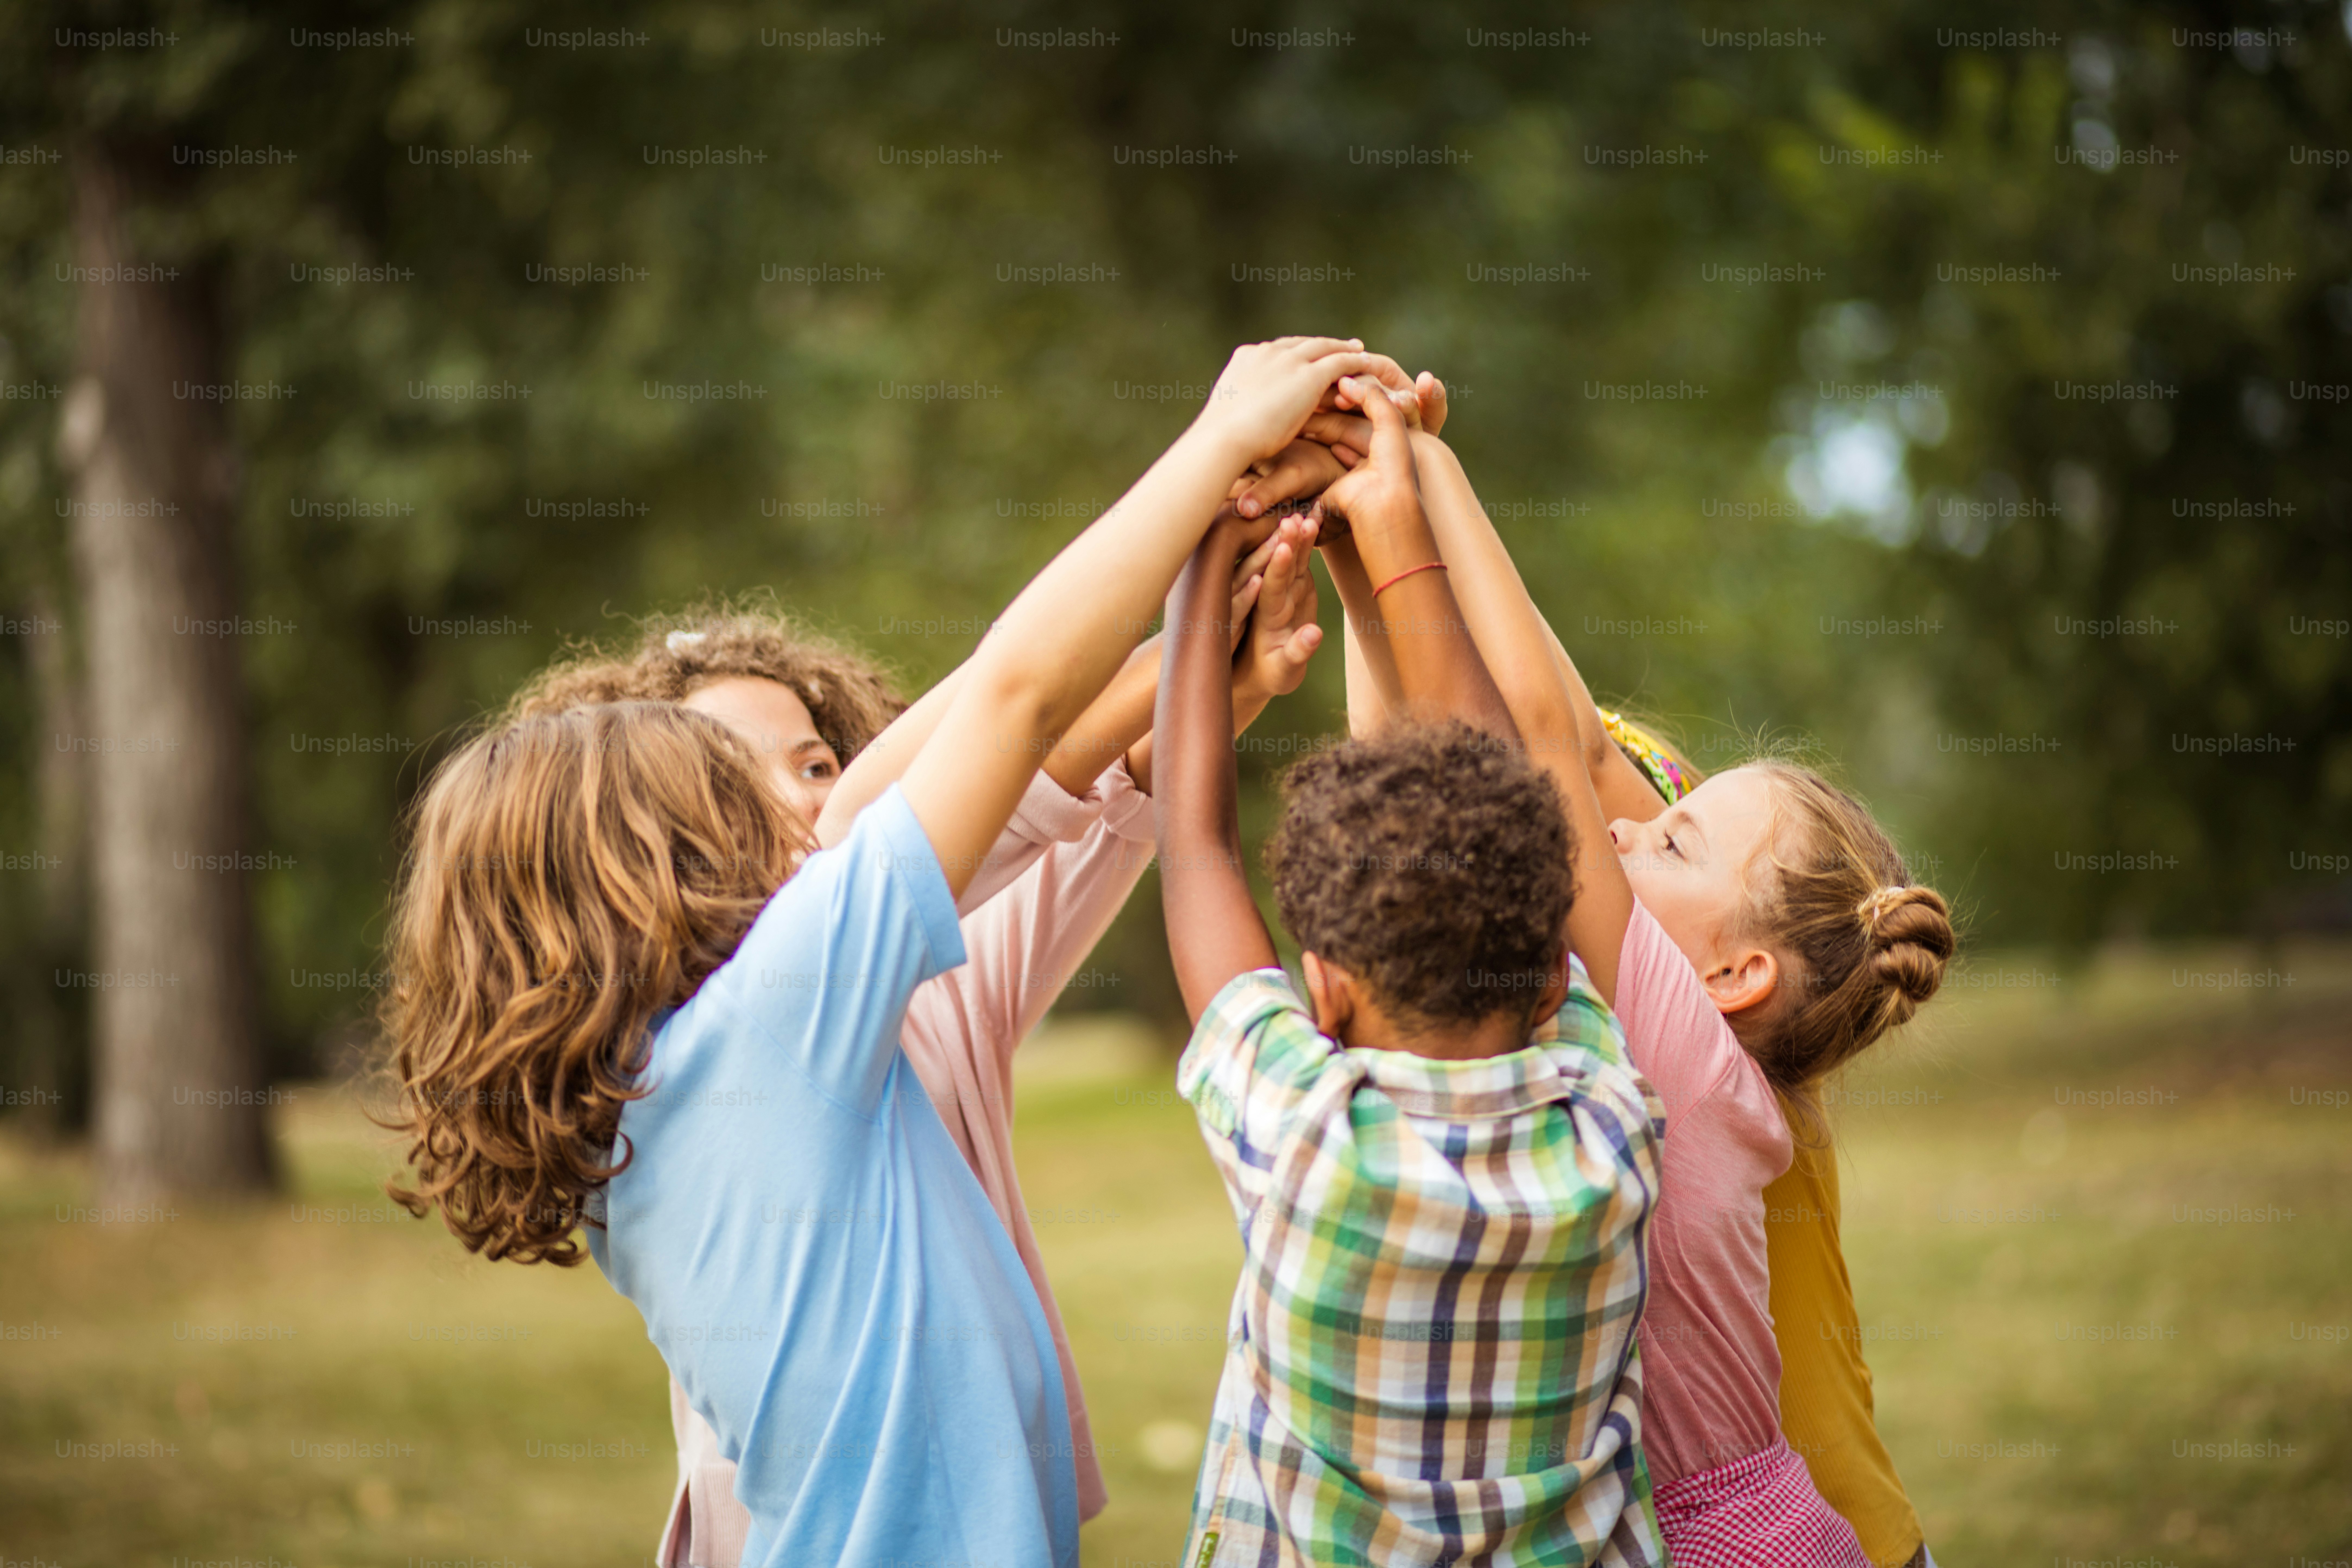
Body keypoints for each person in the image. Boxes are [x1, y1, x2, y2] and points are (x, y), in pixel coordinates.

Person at [378, 336, 1400, 1568]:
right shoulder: (774, 1014)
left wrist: (1203, 608)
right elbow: (1011, 697)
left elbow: (949, 757)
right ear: (641, 870)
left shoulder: (657, 1082)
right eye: (723, 790)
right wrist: (1216, 446)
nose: (794, 807)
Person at [507, 570, 1325, 1561]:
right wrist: (1189, 627)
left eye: (817, 764)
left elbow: (1104, 797)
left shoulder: (941, 983)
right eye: (725, 778)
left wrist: (1230, 676)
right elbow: (1034, 724)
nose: (795, 798)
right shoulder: (692, 1047)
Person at [1312, 380, 1953, 1565]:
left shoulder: (1688, 1051)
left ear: (1739, 969)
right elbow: (1426, 773)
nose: (1618, 832)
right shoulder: (1648, 1015)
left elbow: (1548, 738)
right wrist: (1358, 551)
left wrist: (1417, 472)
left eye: (1666, 835)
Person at [1154, 381, 1669, 1566]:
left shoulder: (1304, 1134)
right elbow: (1505, 788)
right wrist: (1390, 535)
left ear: (1323, 992)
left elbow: (1189, 846)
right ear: (1551, 983)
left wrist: (1209, 544)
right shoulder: (1612, 1129)